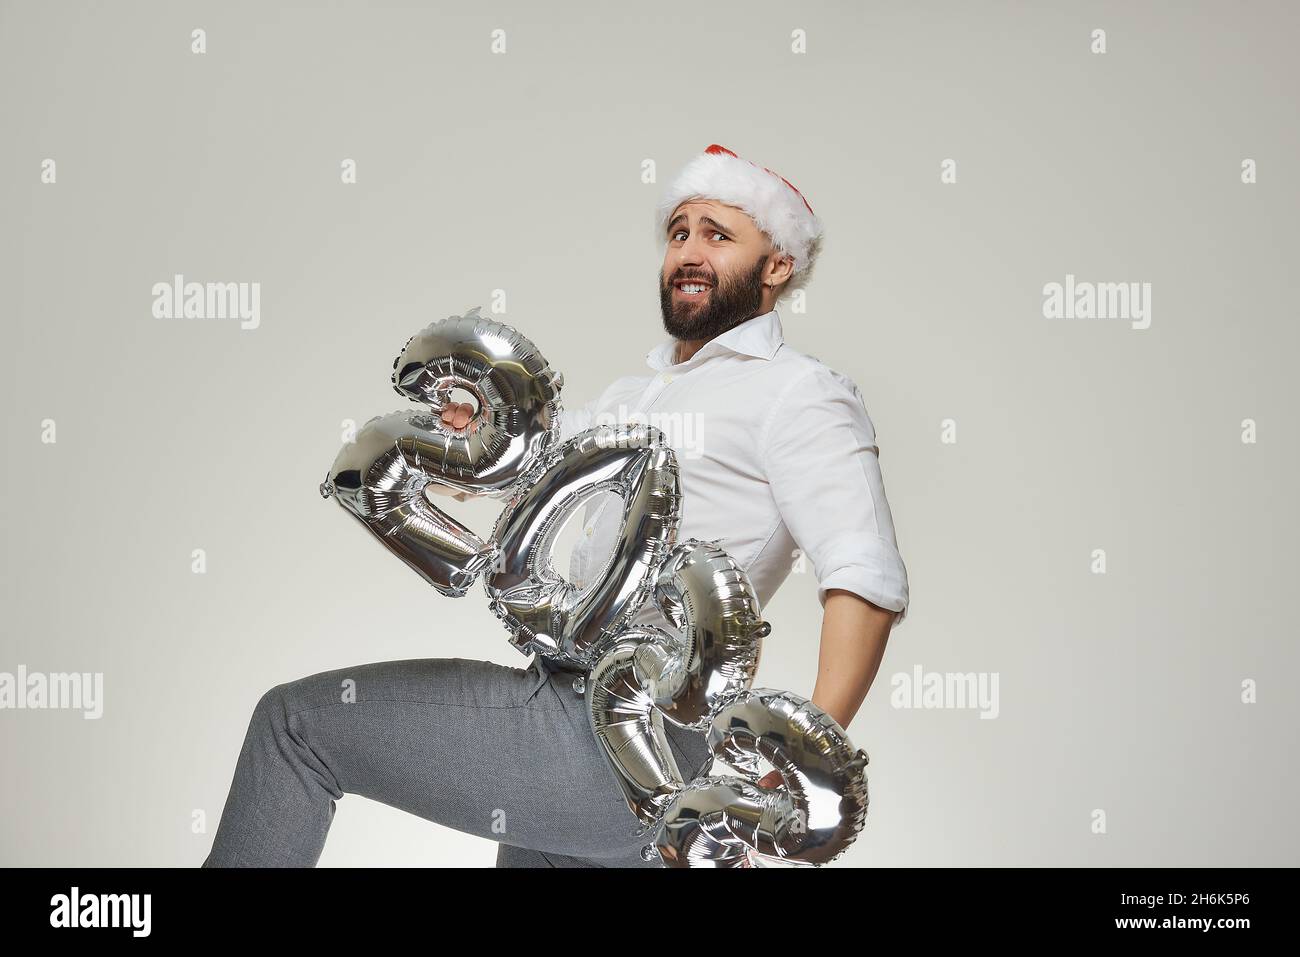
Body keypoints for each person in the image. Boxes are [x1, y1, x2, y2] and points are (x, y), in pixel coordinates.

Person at [202, 143, 909, 868]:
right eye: (679, 232)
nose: (689, 251)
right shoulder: (636, 398)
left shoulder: (801, 395)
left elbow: (864, 577)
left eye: (719, 234)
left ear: (778, 264)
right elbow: (513, 475)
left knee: (296, 727)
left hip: (620, 735)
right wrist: (458, 442)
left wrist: (793, 758)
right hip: (596, 740)